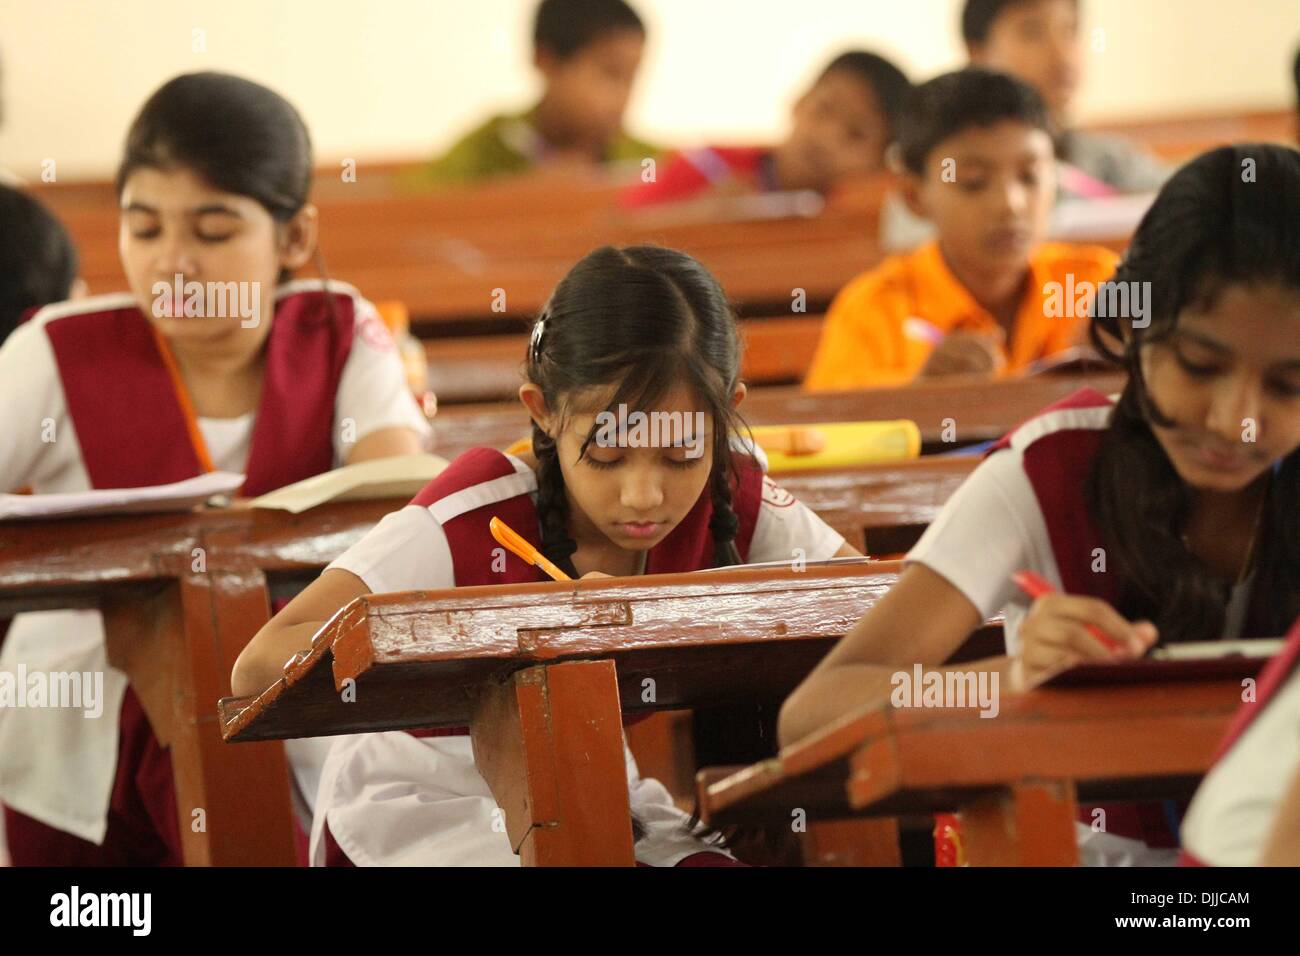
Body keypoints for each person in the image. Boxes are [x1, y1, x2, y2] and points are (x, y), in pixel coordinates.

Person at [233, 244, 860, 866]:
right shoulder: (473, 514)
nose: (643, 494)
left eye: (679, 456)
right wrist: (501, 637)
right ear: (545, 413)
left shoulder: (733, 499)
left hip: (589, 787)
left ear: (725, 419)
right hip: (419, 805)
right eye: (607, 458)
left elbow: (869, 607)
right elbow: (258, 665)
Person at [783, 143, 1300, 864]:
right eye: (1200, 366)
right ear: (1133, 325)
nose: (1232, 417)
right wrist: (1015, 678)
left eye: (1287, 386)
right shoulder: (1050, 469)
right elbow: (814, 713)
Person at [0, 71, 432, 865]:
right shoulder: (55, 348)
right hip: (79, 705)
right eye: (145, 227)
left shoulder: (340, 331)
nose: (174, 263)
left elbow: (393, 505)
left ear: (294, 240)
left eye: (212, 231)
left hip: (289, 691)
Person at [804, 68, 1117, 391]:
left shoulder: (1095, 281)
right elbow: (831, 426)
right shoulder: (875, 309)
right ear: (914, 196)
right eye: (974, 182)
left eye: (1029, 177)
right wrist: (919, 394)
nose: (1010, 204)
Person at [620, 51, 909, 208]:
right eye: (823, 109)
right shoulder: (708, 164)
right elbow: (622, 228)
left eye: (855, 134)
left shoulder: (868, 216)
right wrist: (701, 214)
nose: (826, 136)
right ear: (798, 101)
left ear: (878, 164)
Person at [415, 0, 658, 185]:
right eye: (611, 73)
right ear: (546, 61)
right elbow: (415, 200)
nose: (624, 95)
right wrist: (527, 191)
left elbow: (667, 186)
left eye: (633, 77)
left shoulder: (645, 159)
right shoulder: (493, 144)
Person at [962, 0, 1166, 195]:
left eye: (1070, 30)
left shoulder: (1109, 160)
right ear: (977, 53)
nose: (1062, 53)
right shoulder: (953, 167)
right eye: (1032, 32)